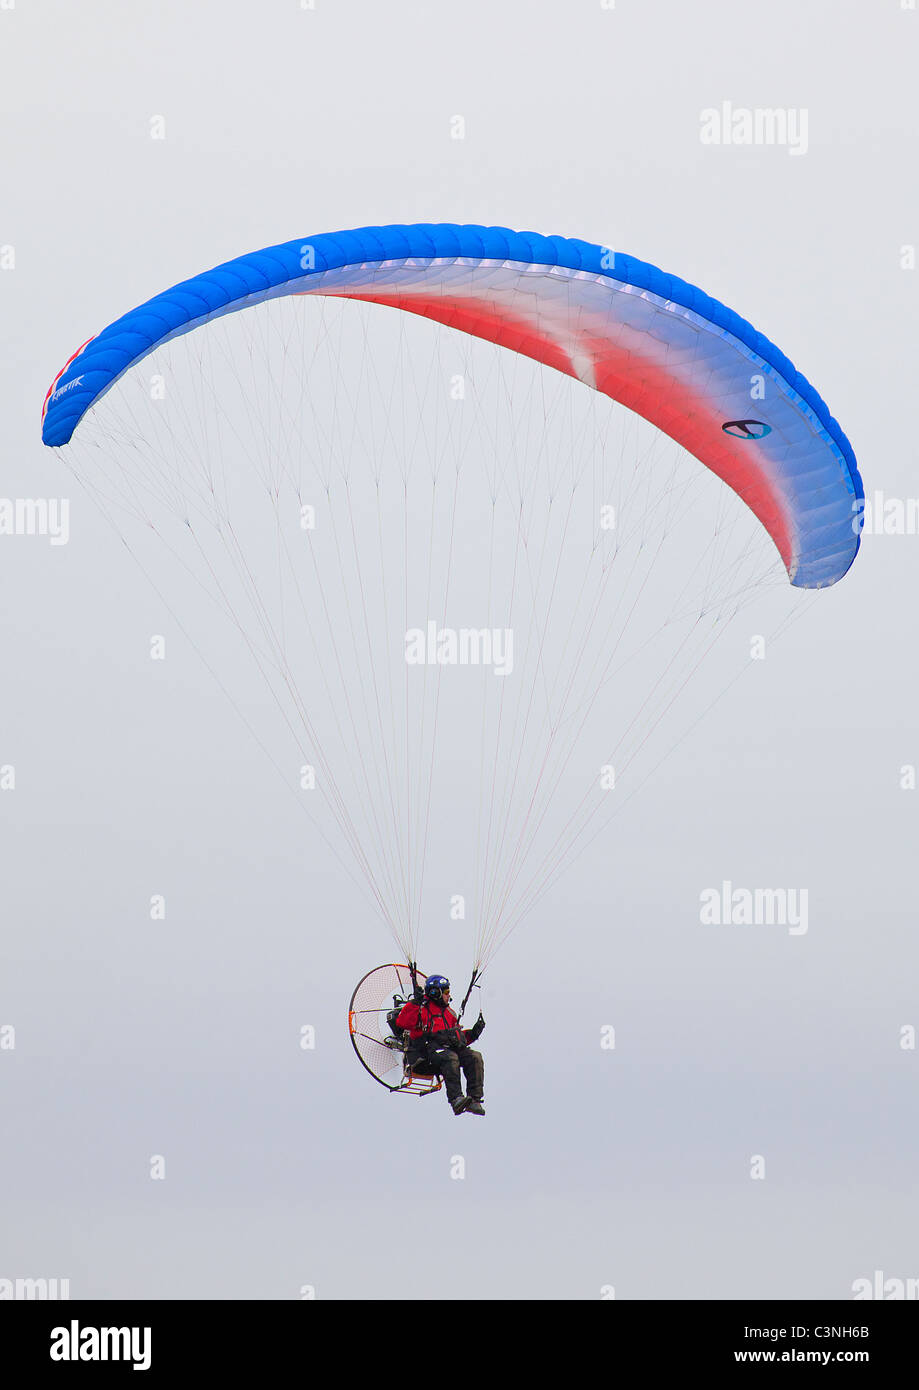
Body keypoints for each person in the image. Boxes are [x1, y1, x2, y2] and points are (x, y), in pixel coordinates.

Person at [396, 975, 486, 1115]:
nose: (448, 995)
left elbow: (457, 1040)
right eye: (446, 992)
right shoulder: (421, 1009)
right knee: (450, 1057)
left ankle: (475, 1100)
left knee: (474, 1057)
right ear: (435, 993)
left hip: (447, 1052)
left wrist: (473, 1034)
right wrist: (416, 1002)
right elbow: (402, 1022)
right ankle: (456, 1099)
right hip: (426, 1056)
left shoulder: (449, 1014)